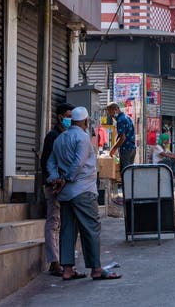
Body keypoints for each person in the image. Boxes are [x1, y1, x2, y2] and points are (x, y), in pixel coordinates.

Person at [47, 106, 121, 281]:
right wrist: (67, 178)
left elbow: (51, 162)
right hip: (82, 190)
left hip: (65, 193)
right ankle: (96, 268)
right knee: (91, 228)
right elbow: (78, 163)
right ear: (86, 121)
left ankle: (67, 269)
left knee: (67, 229)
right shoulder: (83, 137)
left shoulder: (60, 138)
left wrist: (55, 178)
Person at [40, 102, 74, 276]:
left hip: (66, 186)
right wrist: (54, 181)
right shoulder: (53, 136)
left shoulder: (68, 135)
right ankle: (54, 262)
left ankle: (62, 259)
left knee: (61, 223)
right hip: (54, 185)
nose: (71, 119)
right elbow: (45, 162)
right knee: (53, 222)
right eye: (68, 116)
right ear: (60, 117)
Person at [106, 102, 136, 185]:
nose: (111, 116)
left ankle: (127, 195)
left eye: (110, 113)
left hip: (126, 149)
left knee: (125, 174)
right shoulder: (127, 117)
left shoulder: (120, 120)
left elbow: (122, 138)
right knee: (129, 173)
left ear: (115, 109)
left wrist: (113, 150)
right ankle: (130, 194)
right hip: (132, 149)